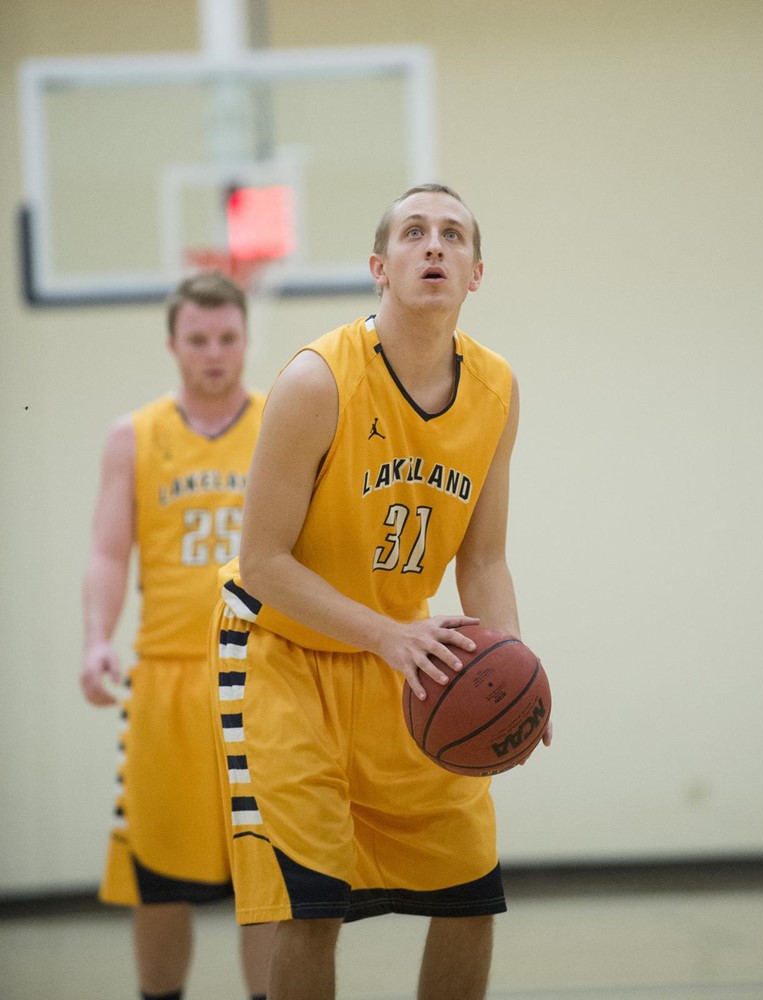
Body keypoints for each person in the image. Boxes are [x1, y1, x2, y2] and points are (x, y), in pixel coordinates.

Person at [209, 184, 553, 1000]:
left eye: (451, 235)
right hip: (282, 655)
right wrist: (389, 637)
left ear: (475, 273)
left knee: (470, 896)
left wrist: (511, 666)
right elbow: (260, 563)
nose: (432, 245)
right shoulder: (315, 381)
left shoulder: (496, 391)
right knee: (313, 908)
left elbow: (483, 561)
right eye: (412, 233)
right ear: (378, 267)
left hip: (407, 659)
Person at [81, 271, 275, 1000]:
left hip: (265, 677)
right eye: (197, 339)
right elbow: (107, 552)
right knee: (156, 879)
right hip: (165, 679)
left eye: (228, 337)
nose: (214, 353)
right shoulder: (133, 436)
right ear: (172, 344)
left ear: (246, 340)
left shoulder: (284, 423)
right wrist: (96, 639)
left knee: (267, 879)